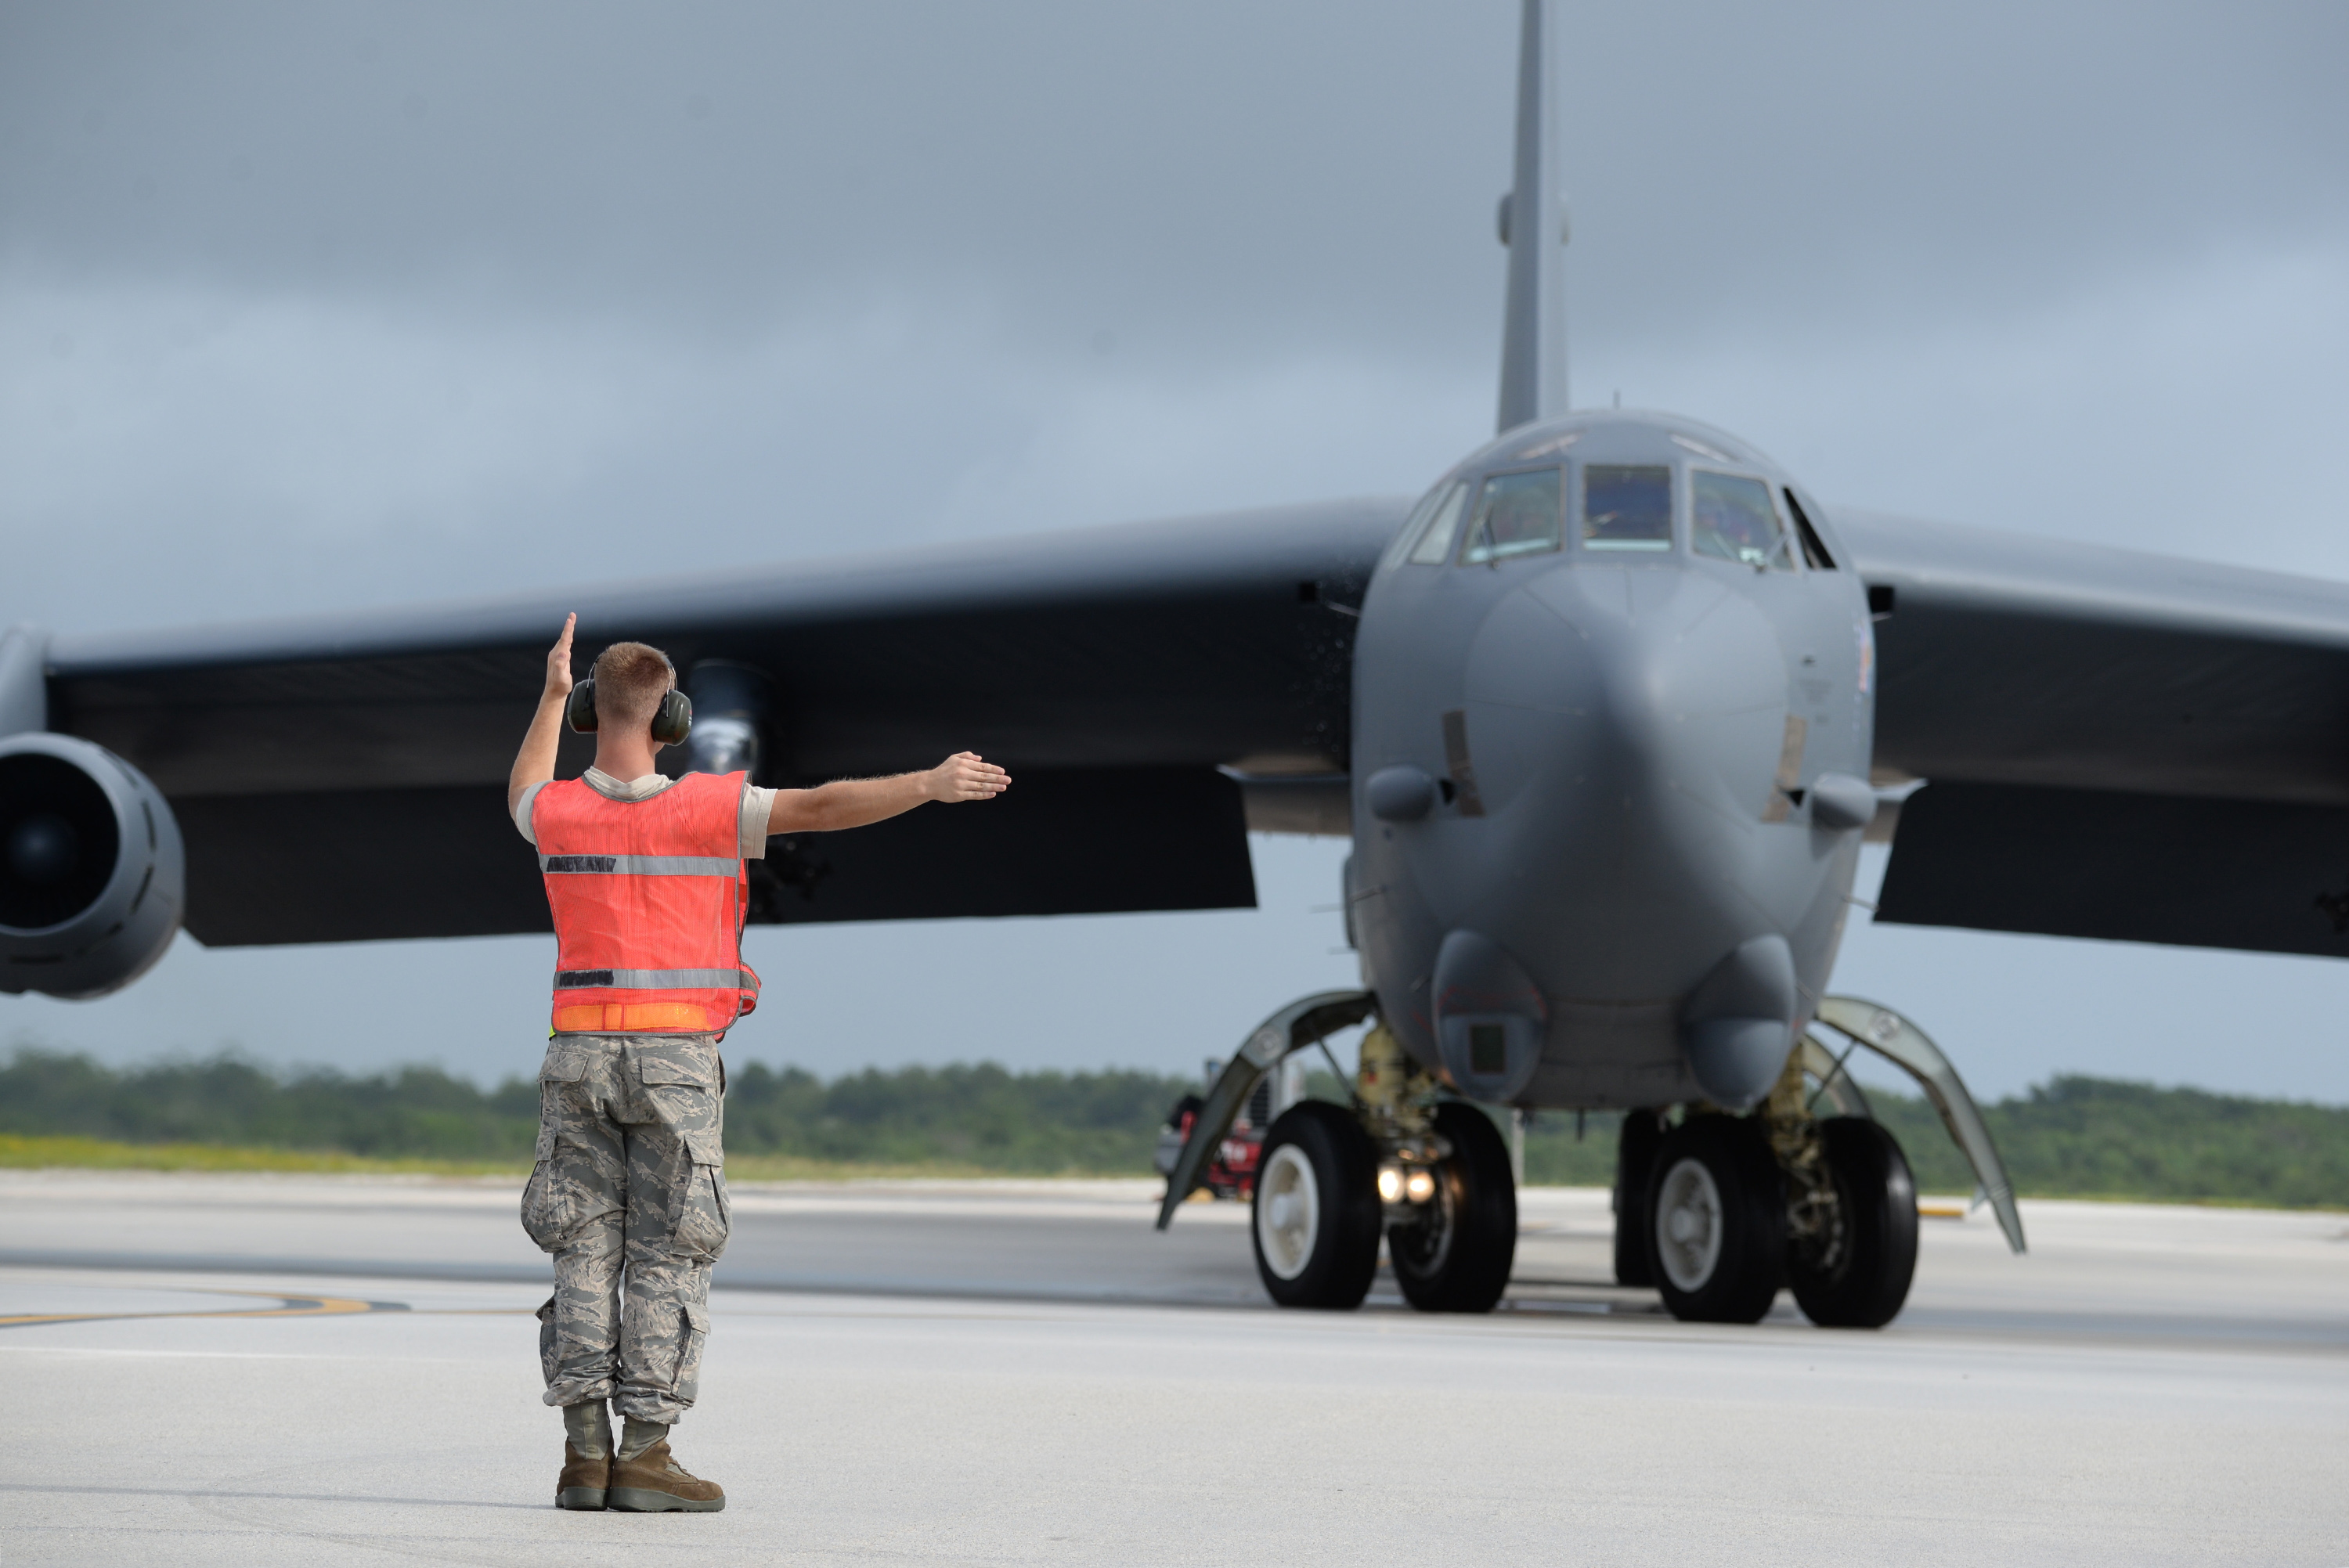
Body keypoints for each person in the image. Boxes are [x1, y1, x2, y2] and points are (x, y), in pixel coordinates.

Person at [505, 615, 1009, 1512]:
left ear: (591, 710)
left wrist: (549, 696)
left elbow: (523, 784)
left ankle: (584, 1455)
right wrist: (930, 783)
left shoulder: (554, 812)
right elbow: (824, 804)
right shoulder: (709, 806)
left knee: (582, 1246)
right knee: (669, 1251)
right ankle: (647, 1455)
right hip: (674, 1063)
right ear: (673, 719)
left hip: (576, 1057)